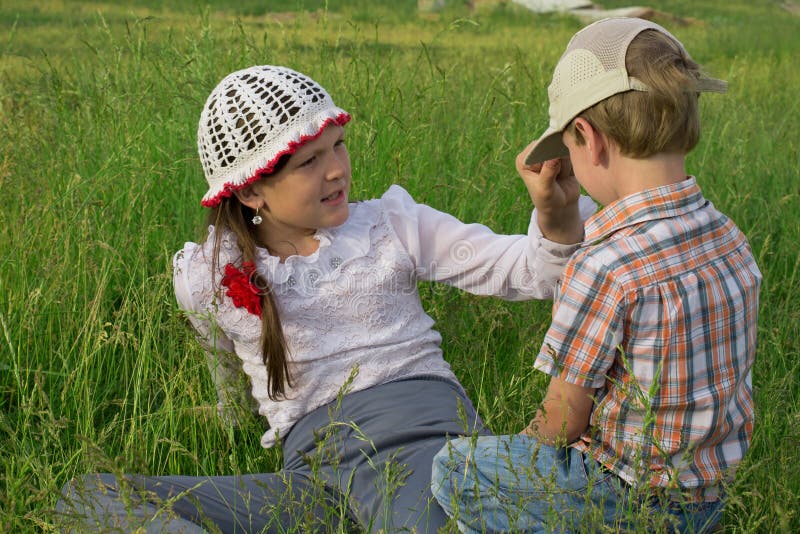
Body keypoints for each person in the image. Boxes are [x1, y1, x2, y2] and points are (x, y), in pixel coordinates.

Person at [56, 65, 595, 533]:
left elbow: (530, 271)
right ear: (250, 191)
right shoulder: (207, 275)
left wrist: (555, 214)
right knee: (92, 496)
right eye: (309, 161)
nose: (337, 168)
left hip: (419, 451)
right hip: (315, 482)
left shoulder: (390, 226)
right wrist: (227, 417)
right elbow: (228, 373)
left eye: (337, 145)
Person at [430, 16, 761, 534]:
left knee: (456, 468)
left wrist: (519, 453)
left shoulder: (607, 265)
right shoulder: (727, 236)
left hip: (626, 498)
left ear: (588, 137)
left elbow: (561, 423)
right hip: (708, 500)